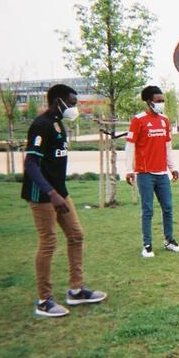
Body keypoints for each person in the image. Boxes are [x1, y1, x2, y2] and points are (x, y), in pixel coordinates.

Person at [22, 84, 106, 317]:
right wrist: (51, 193)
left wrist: (60, 192)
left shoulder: (59, 124)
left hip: (60, 193)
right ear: (57, 101)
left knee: (76, 235)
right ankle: (44, 300)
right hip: (43, 195)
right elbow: (30, 164)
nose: (73, 107)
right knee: (48, 243)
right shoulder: (42, 125)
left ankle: (76, 290)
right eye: (71, 102)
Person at [125, 86, 179, 258]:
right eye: (158, 101)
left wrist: (172, 168)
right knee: (148, 210)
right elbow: (130, 146)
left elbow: (168, 147)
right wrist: (129, 170)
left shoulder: (165, 121)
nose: (161, 104)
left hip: (161, 174)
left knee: (168, 207)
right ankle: (147, 245)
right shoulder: (138, 120)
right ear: (149, 101)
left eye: (162, 101)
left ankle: (169, 241)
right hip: (144, 174)